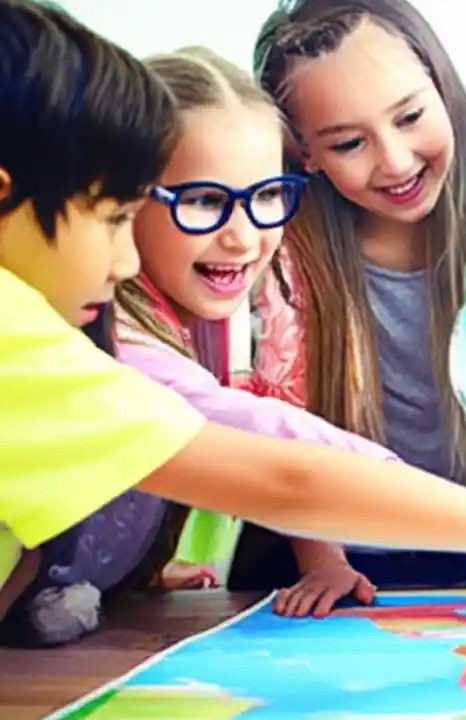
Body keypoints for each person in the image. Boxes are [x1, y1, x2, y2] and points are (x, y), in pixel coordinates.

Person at [0, 0, 466, 647]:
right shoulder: (73, 335)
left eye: (408, 116)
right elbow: (274, 461)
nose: (129, 257)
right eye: (120, 216)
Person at [115, 46, 408, 617]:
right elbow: (251, 433)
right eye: (203, 200)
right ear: (126, 199)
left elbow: (272, 407)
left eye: (268, 195)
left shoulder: (237, 300)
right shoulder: (113, 331)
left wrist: (322, 557)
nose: (243, 238)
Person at [235, 0, 466, 590]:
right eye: (348, 144)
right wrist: (323, 562)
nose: (395, 160)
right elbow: (282, 420)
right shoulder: (284, 258)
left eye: (409, 117)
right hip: (340, 551)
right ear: (305, 154)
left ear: (442, 89)